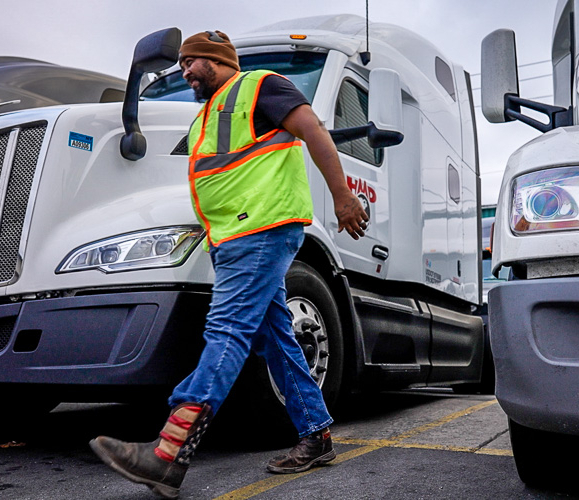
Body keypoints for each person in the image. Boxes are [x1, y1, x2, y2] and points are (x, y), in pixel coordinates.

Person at [89, 30, 370, 499]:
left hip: (259, 230)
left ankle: (168, 452)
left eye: (188, 63)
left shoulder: (261, 85)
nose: (183, 73)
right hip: (235, 237)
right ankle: (316, 434)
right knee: (274, 337)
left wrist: (342, 195)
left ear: (213, 59)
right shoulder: (209, 114)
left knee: (227, 332)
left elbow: (313, 129)